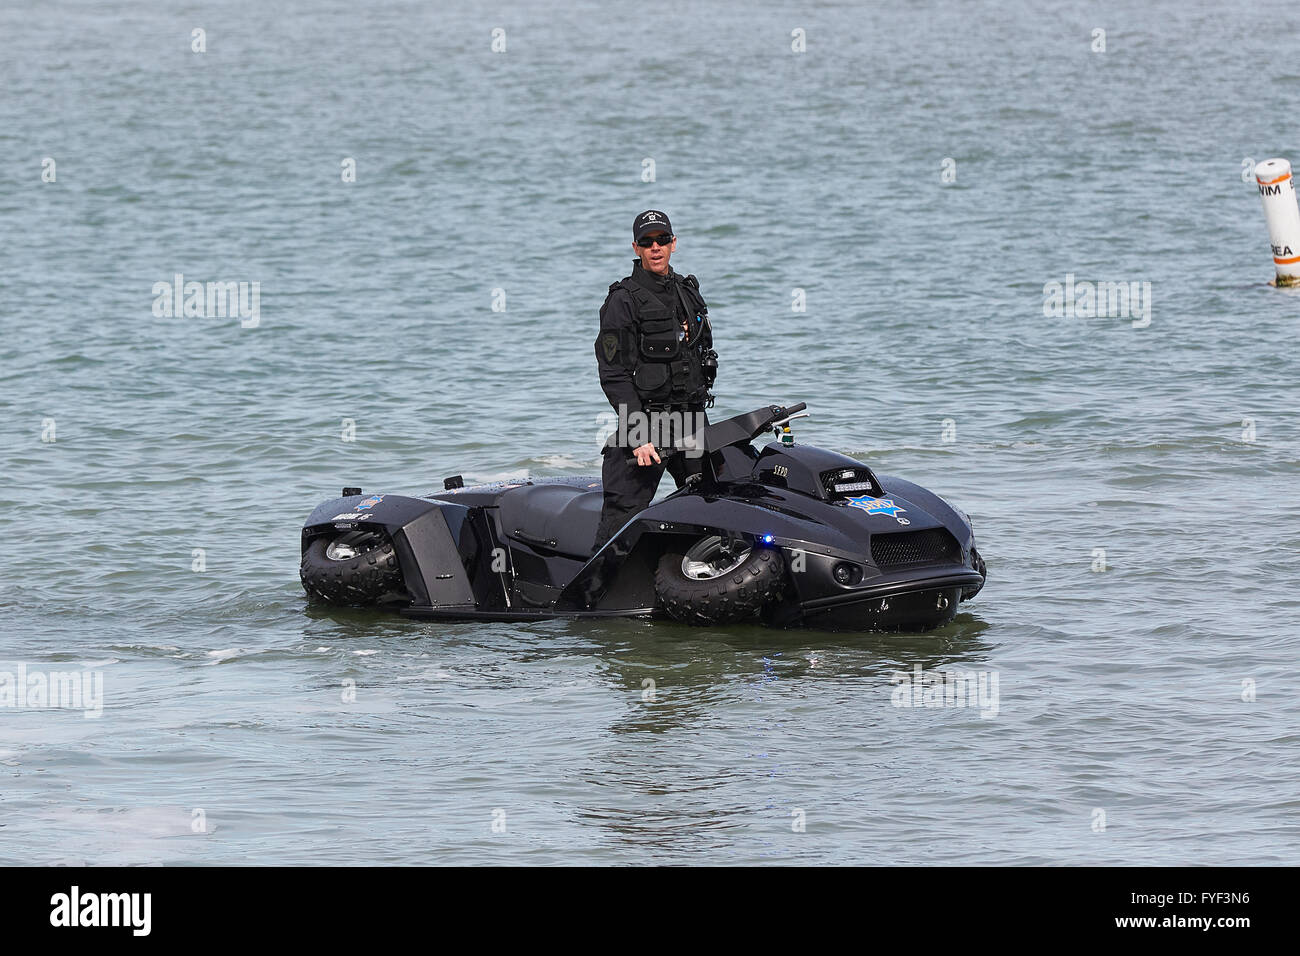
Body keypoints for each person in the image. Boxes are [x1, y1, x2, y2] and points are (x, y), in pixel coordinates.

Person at [592, 210, 718, 551]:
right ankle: (594, 598)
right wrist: (638, 435)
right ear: (636, 248)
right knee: (622, 517)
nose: (656, 247)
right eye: (647, 242)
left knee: (717, 505)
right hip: (648, 423)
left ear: (674, 243)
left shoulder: (687, 292)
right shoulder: (623, 300)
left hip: (691, 419)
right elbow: (614, 374)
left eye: (662, 239)